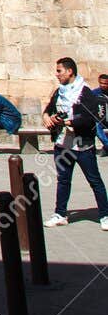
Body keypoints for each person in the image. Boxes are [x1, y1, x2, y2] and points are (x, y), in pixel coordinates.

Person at [42, 58, 108, 228]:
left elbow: (89, 118)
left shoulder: (85, 93)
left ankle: (105, 216)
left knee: (94, 180)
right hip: (62, 145)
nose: (57, 74)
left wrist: (67, 122)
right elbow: (48, 109)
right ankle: (60, 214)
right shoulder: (59, 91)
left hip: (82, 145)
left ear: (69, 71)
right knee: (63, 180)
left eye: (59, 71)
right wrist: (48, 118)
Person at [96, 74, 108, 155]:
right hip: (100, 119)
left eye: (105, 83)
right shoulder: (94, 93)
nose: (103, 85)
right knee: (96, 126)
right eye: (101, 83)